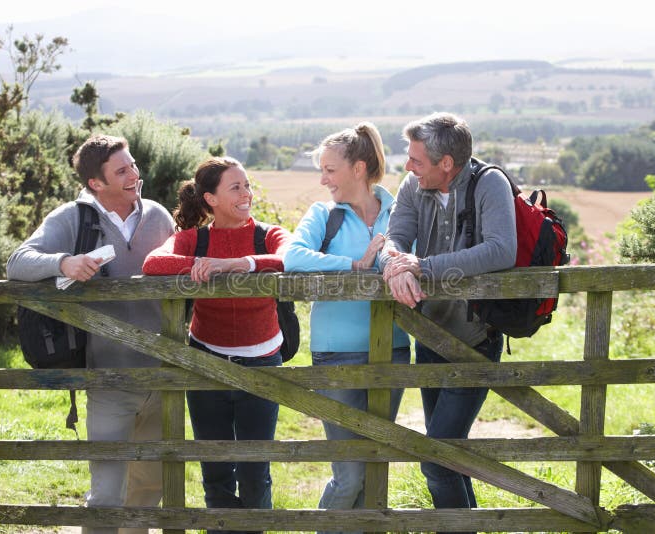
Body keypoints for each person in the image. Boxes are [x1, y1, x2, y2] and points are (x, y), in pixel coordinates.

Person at [6, 134, 175, 534]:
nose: (134, 173)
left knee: (150, 486)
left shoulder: (158, 216)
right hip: (107, 376)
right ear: (95, 183)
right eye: (122, 170)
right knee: (106, 494)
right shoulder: (72, 217)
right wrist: (64, 262)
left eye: (132, 164)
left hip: (168, 374)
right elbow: (17, 261)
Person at [378, 112, 516, 533]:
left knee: (435, 459)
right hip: (430, 334)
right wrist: (396, 267)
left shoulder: (489, 183)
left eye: (416, 160)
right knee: (449, 454)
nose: (407, 167)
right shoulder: (413, 186)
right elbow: (395, 236)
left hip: (476, 337)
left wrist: (424, 265)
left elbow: (501, 251)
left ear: (447, 164)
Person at [142, 156, 291, 532]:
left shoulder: (267, 233)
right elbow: (152, 263)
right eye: (236, 188)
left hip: (262, 362)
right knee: (216, 469)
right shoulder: (195, 238)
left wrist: (237, 264)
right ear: (210, 198)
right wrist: (200, 263)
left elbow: (289, 258)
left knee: (256, 472)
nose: (247, 194)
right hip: (206, 360)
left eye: (248, 185)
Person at [283, 122, 410, 530]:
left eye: (330, 169)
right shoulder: (324, 214)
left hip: (392, 350)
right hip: (335, 352)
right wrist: (354, 266)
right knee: (350, 474)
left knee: (374, 465)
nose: (323, 179)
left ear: (358, 168)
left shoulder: (400, 211)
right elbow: (293, 258)